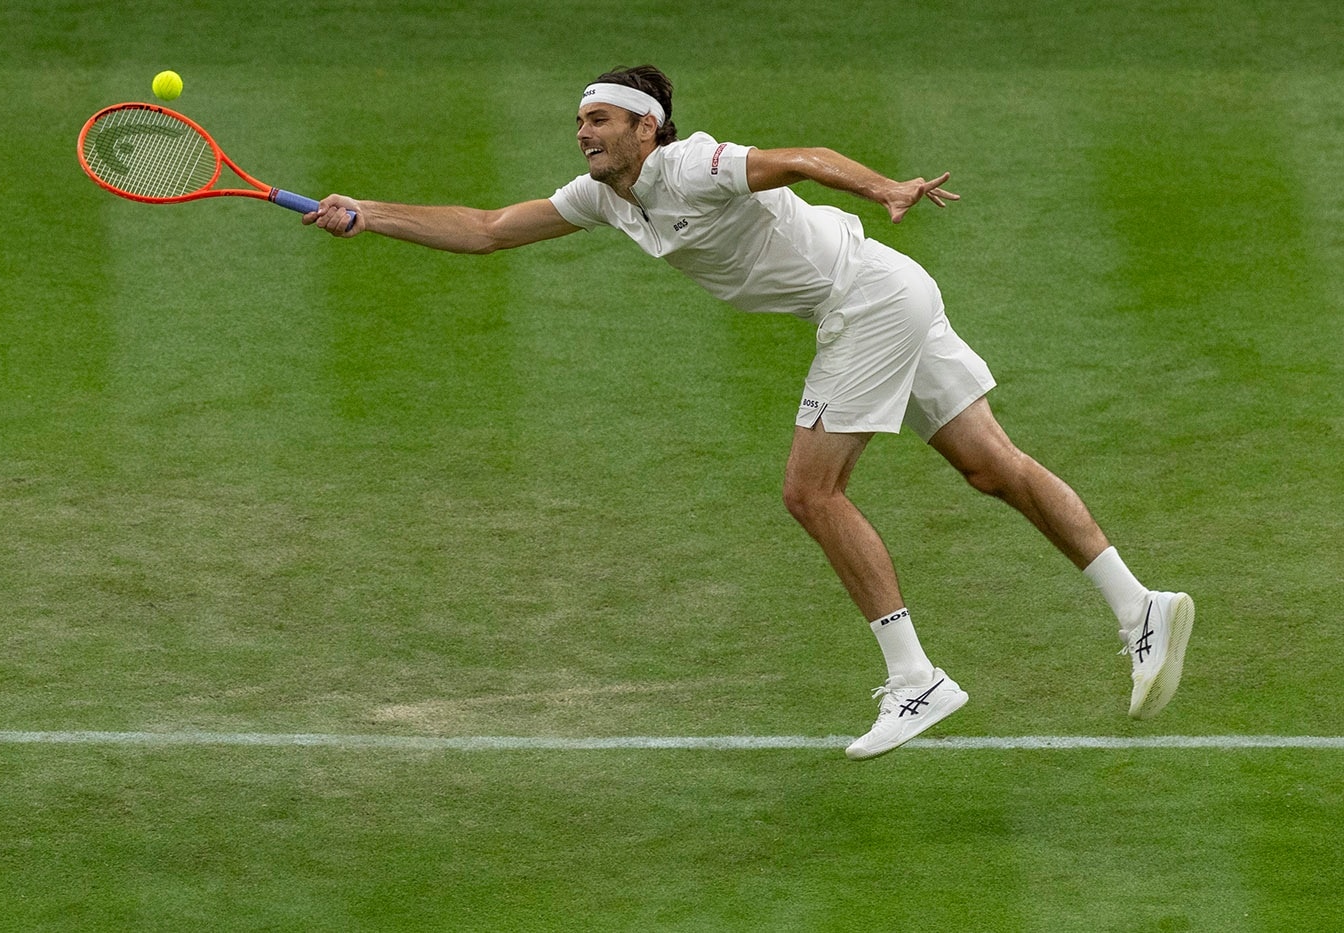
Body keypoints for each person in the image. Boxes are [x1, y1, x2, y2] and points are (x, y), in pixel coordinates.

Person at [305, 65, 1195, 759]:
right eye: (579, 120)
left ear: (646, 127)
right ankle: (1138, 605)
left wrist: (884, 186)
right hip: (890, 295)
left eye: (599, 120)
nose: (582, 132)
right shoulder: (604, 200)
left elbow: (802, 160)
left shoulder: (694, 164)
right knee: (990, 465)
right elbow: (491, 227)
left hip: (867, 301)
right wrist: (369, 213)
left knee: (812, 494)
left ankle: (916, 678)